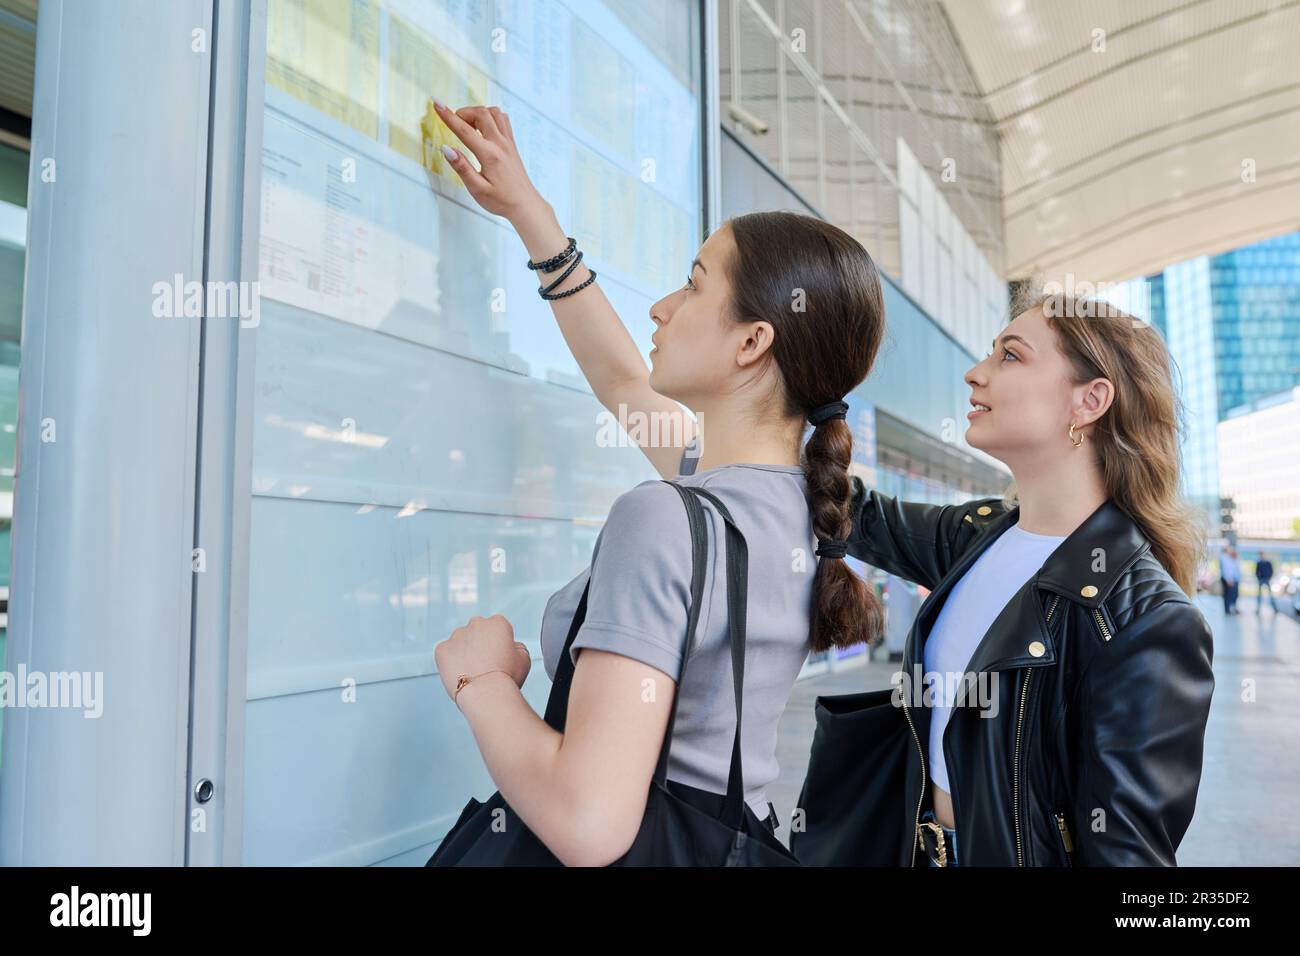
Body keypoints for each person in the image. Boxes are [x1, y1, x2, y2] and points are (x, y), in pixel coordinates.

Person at [428, 101, 886, 865]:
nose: (662, 307)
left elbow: (588, 824)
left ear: (752, 342)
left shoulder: (668, 518)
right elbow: (623, 385)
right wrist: (530, 214)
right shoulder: (795, 507)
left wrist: (481, 681)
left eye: (693, 285)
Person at [844, 292, 1216, 866]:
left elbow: (1126, 855)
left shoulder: (1144, 618)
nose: (975, 373)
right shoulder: (976, 536)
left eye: (1010, 356)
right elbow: (841, 512)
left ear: (1089, 401)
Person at [1220, 545, 1241, 615]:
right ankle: (1228, 610)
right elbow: (1226, 570)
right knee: (1228, 595)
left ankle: (1231, 609)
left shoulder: (1230, 558)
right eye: (1229, 549)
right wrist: (1228, 579)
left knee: (1233, 594)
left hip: (1232, 579)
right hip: (1228, 580)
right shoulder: (1224, 558)